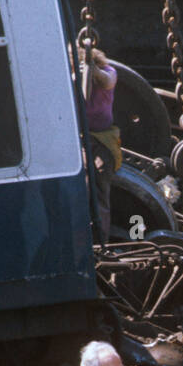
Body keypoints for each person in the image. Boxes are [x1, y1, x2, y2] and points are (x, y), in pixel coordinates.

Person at [78, 44, 119, 243]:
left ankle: (101, 241)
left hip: (103, 141)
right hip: (80, 140)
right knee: (82, 189)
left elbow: (107, 81)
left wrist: (90, 68)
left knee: (100, 186)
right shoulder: (72, 77)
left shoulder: (109, 72)